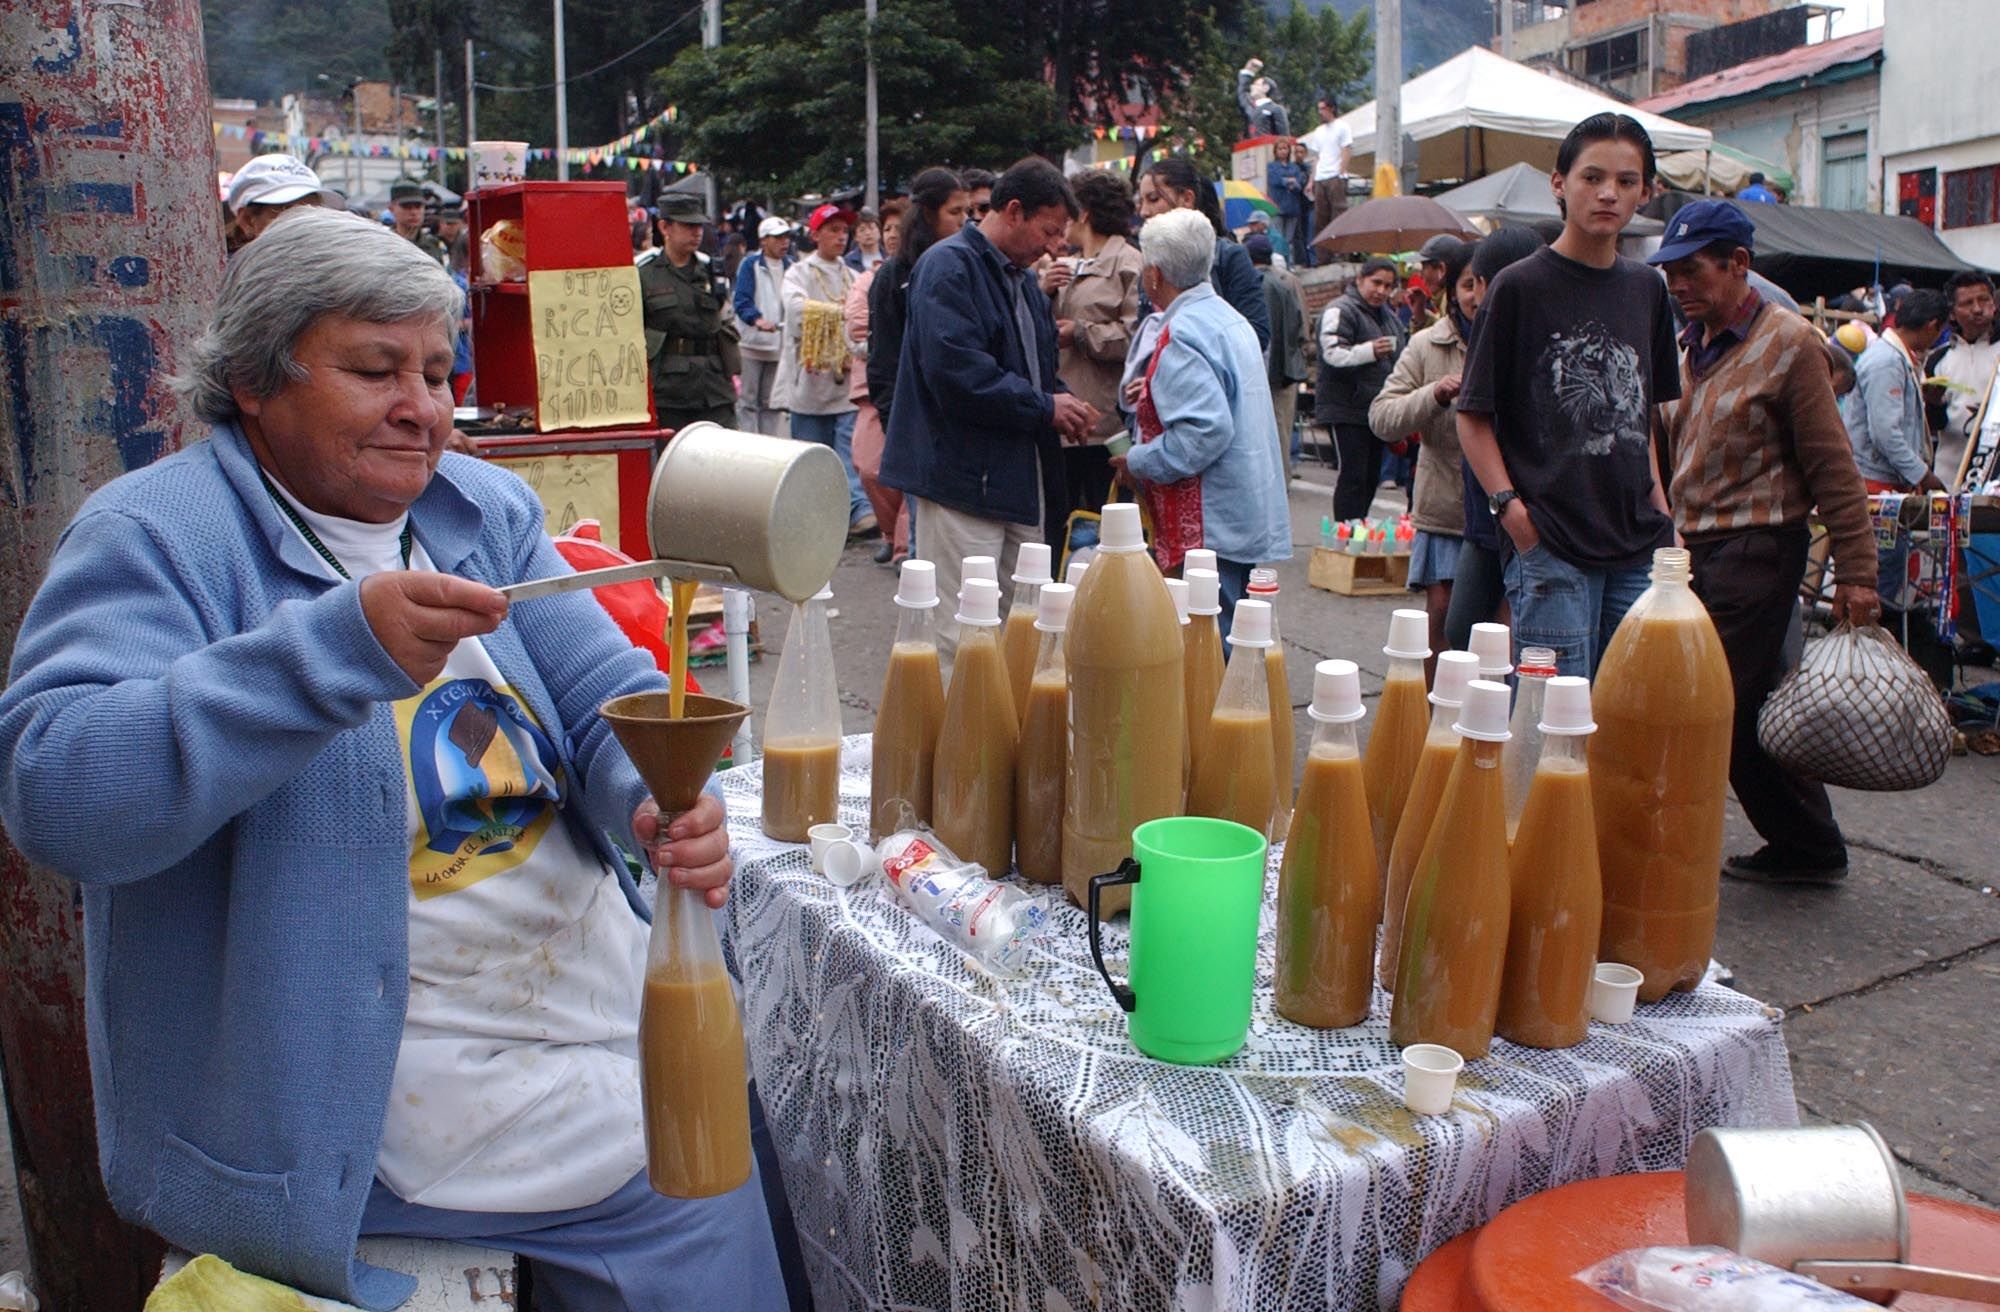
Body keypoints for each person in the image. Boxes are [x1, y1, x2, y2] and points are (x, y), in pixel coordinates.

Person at [0, 207, 788, 1309]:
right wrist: (331, 648)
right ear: (254, 383)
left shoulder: (480, 507)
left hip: (569, 1005)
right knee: (686, 1174)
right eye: (376, 370)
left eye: (435, 369)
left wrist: (651, 802)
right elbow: (60, 792)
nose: (421, 410)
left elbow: (602, 700)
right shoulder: (158, 536)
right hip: (367, 1097)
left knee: (741, 1105)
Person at [1651, 199, 1880, 886]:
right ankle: (1809, 845)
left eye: (1692, 271)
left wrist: (1858, 574)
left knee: (1705, 697)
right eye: (1671, 274)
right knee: (1743, 707)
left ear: (1738, 265)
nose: (1679, 286)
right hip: (1695, 550)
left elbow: (1832, 463)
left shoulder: (1788, 343)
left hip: (1757, 547)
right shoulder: (1689, 344)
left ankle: (1678, 848)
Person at [1455, 112, 1682, 678]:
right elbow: (1473, 416)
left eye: (1627, 182)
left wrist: (1663, 515)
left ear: (1645, 192)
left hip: (1636, 544)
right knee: (1551, 723)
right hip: (1551, 543)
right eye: (1592, 177)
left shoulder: (1647, 288)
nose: (1609, 193)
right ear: (1559, 183)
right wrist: (1515, 516)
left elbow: (1642, 415)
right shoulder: (1518, 287)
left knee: (1624, 717)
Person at [879, 157, 1098, 657]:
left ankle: (1015, 732)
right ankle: (962, 737)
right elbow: (956, 372)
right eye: (1048, 230)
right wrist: (1045, 406)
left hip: (1017, 480)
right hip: (961, 480)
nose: (1053, 246)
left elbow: (1032, 369)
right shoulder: (948, 266)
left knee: (1027, 625)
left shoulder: (1022, 281)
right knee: (961, 634)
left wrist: (1063, 401)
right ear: (1014, 211)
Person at [1109, 209, 1290, 627]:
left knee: (1210, 650)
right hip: (1237, 513)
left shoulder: (1185, 331)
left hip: (1210, 525)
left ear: (1154, 275)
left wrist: (1137, 461)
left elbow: (1204, 431)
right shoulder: (1228, 318)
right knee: (1238, 642)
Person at [1371, 238, 1478, 666]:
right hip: (1446, 508)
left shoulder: (1518, 339)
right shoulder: (1426, 345)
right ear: (1452, 288)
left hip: (1507, 512)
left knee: (1500, 629)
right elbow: (1382, 417)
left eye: (1483, 284)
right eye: (1468, 284)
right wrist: (1434, 393)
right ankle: (1437, 719)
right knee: (1444, 618)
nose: (1475, 296)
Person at [1442, 227, 1541, 649]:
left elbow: (1477, 422)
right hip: (1488, 523)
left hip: (1517, 520)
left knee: (1507, 640)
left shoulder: (1508, 335)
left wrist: (1510, 510)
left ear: (1483, 283)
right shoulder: (1501, 333)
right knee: (1467, 633)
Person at [1045, 167, 1142, 516]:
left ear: (1083, 212)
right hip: (1062, 420)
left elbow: (1137, 336)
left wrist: (1082, 332)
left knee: (1104, 525)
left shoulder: (1129, 263)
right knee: (1062, 526)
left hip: (1106, 426)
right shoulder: (1064, 263)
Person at [783, 202, 873, 534]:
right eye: (833, 230)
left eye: (844, 231)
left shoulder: (853, 276)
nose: (841, 237)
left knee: (848, 452)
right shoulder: (799, 273)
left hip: (846, 381)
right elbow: (794, 314)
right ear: (815, 234)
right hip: (811, 382)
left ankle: (857, 509)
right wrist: (840, 314)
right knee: (811, 456)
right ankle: (815, 520)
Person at [867, 168, 971, 437]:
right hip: (915, 422)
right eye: (954, 212)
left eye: (966, 212)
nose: (964, 221)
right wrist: (895, 427)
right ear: (927, 213)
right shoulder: (894, 276)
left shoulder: (971, 268)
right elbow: (884, 360)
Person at [1134, 156, 1270, 349]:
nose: (1144, 212)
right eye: (1141, 202)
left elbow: (1257, 334)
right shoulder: (1149, 264)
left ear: (1187, 198)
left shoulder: (1228, 256)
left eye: (1154, 199)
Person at [639, 192, 740, 438]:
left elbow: (725, 323)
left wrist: (732, 373)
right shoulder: (645, 274)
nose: (697, 233)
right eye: (688, 226)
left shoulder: (712, 272)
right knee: (671, 465)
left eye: (699, 226)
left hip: (713, 388)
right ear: (665, 227)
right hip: (669, 391)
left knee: (724, 461)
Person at [848, 198, 912, 565]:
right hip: (874, 386)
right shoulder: (869, 277)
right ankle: (890, 532)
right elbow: (856, 322)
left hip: (914, 385)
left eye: (898, 228)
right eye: (887, 228)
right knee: (868, 465)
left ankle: (904, 545)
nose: (892, 235)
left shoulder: (926, 270)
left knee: (910, 467)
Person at [1318, 257, 1406, 522]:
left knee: (1369, 477)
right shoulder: (1340, 310)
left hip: (1375, 409)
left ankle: (1359, 528)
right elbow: (1331, 353)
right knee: (1353, 476)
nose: (1381, 290)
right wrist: (1369, 351)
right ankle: (1345, 532)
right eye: (1376, 282)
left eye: (1388, 286)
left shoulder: (1390, 318)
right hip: (1345, 407)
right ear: (1360, 280)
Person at [1846, 288, 1949, 494]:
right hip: (1874, 479)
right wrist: (1923, 475)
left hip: (1888, 478)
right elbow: (1885, 433)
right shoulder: (1887, 361)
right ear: (1932, 326)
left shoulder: (1898, 359)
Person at [1924, 271, 1999, 476]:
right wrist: (1933, 403)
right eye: (1967, 303)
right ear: (1952, 313)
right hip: (1950, 470)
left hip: (1995, 472)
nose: (1977, 309)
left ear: (1994, 304)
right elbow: (1934, 425)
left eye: (1983, 300)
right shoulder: (1938, 359)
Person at [1246, 233, 1308, 483]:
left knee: (1263, 430)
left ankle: (1274, 483)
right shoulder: (1286, 282)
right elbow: (1301, 327)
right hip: (1287, 370)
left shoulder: (1253, 284)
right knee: (1282, 428)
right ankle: (1283, 478)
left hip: (1263, 370)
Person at [734, 215, 796, 435]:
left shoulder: (792, 267)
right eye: (778, 238)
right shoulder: (750, 265)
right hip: (753, 344)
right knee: (748, 401)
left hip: (779, 345)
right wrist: (757, 320)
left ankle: (769, 444)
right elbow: (741, 300)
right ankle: (750, 442)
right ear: (763, 241)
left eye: (786, 237)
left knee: (772, 401)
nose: (784, 242)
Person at [225, 153, 339, 245]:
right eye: (287, 212)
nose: (305, 222)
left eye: (314, 211)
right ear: (247, 220)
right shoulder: (227, 271)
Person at [1299, 95, 1353, 257]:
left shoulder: (1342, 127)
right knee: (1320, 219)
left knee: (1339, 216)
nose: (1320, 112)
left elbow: (1346, 149)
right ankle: (1323, 257)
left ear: (1331, 109)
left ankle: (1341, 253)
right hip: (1320, 177)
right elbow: (1317, 157)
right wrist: (1311, 180)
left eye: (1322, 108)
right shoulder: (1319, 131)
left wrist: (1342, 171)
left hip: (1335, 175)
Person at [1266, 136, 1313, 271]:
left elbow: (1299, 184)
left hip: (1292, 207)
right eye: (1280, 149)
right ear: (1275, 151)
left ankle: (1290, 264)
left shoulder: (1294, 167)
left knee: (1289, 239)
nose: (1283, 151)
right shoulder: (1271, 166)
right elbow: (1275, 180)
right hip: (1277, 207)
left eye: (1285, 148)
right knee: (1278, 238)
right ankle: (1278, 265)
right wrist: (1288, 181)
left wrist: (1291, 182)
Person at [389, 180, 448, 265]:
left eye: (418, 206)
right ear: (391, 208)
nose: (414, 212)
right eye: (406, 207)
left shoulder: (435, 244)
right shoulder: (384, 244)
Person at [1236, 62, 1291, 139]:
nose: (1252, 87)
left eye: (1256, 84)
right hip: (1248, 148)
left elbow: (1284, 136)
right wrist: (1248, 71)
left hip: (1267, 148)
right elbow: (1242, 92)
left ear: (1265, 88)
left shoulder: (1276, 109)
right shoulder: (1249, 106)